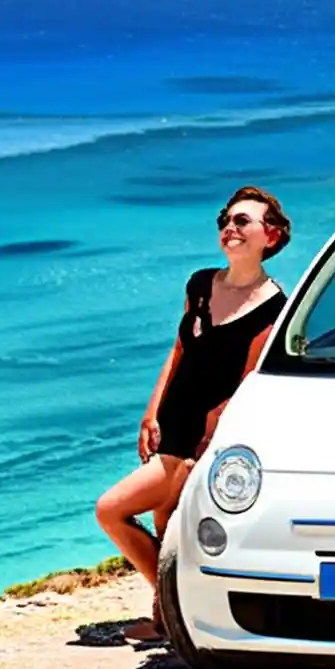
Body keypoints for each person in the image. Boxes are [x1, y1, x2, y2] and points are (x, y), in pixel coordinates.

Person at [95, 185, 291, 641]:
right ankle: (168, 617)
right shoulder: (201, 283)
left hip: (197, 443)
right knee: (165, 526)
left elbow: (246, 386)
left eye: (242, 221)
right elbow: (180, 348)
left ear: (272, 235)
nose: (230, 227)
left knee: (111, 511)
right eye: (225, 219)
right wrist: (151, 411)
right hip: (170, 426)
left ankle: (169, 608)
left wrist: (205, 451)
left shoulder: (275, 308)